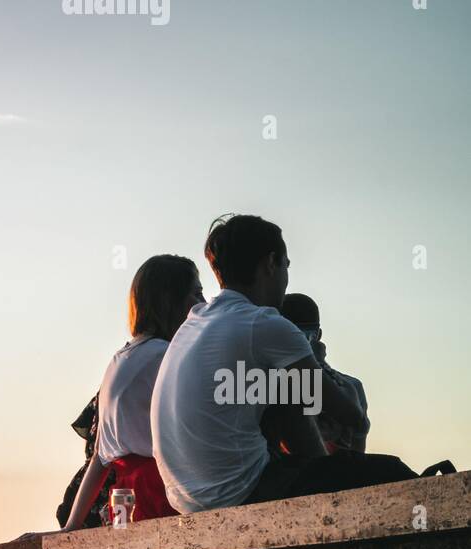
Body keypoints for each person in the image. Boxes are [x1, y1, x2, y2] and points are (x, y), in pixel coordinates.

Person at [151, 214, 415, 513]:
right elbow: (349, 415)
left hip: (185, 500)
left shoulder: (193, 324)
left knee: (281, 391)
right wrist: (314, 365)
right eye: (287, 266)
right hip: (241, 491)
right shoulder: (265, 323)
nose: (286, 278)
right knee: (393, 473)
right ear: (271, 263)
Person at [60, 254, 205, 530]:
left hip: (126, 503)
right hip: (162, 497)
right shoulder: (166, 356)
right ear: (170, 301)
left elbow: (99, 460)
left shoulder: (119, 360)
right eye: (196, 294)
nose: (204, 304)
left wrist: (71, 526)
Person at [280, 292, 368, 453]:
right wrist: (319, 363)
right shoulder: (352, 386)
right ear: (319, 335)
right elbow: (357, 451)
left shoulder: (267, 384)